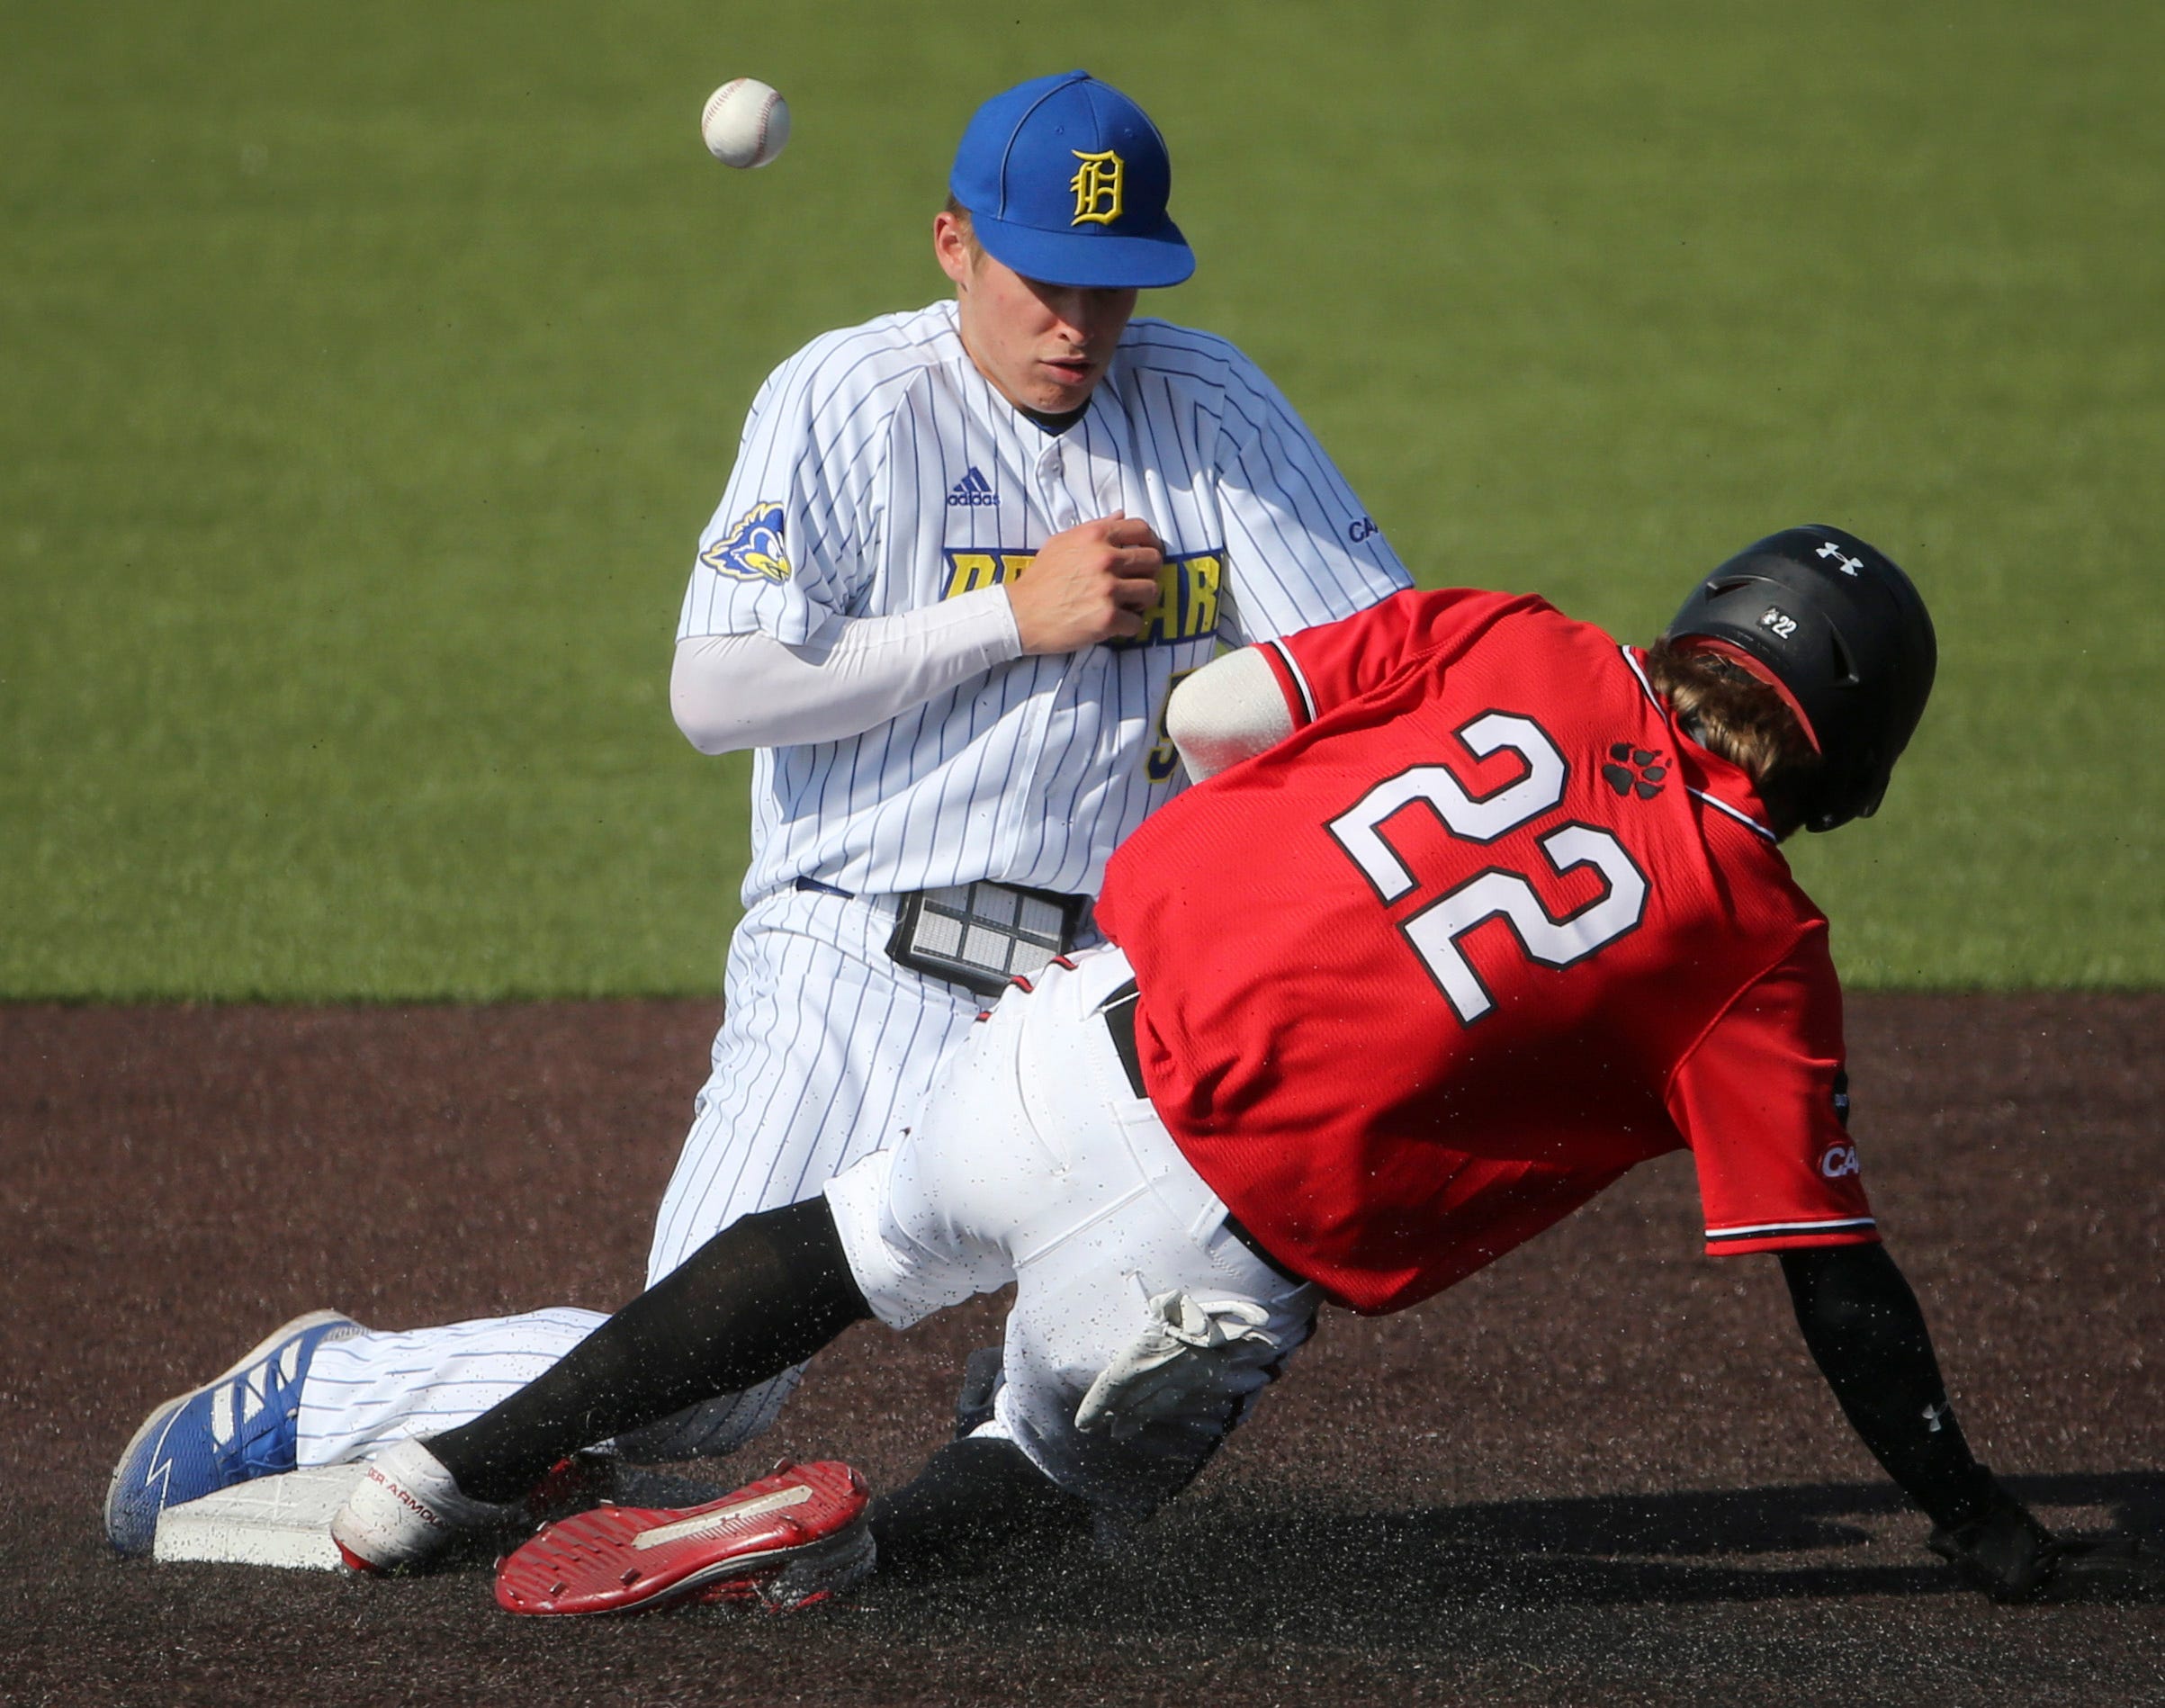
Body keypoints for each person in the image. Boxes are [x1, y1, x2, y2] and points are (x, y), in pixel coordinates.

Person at [324, 526, 2151, 1605]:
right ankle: (819, 1564)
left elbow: (1210, 713)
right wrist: (1971, 1513)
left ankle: (448, 1473)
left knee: (850, 1237)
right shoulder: (1755, 947)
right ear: (1849, 754)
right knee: (1060, 1475)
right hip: (1202, 1260)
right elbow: (1835, 1280)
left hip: (1061, 1050)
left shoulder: (1513, 634)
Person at [103, 70, 1409, 1557]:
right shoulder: (851, 398)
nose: (1077, 325)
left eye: (1110, 288)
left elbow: (1375, 670)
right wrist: (1009, 615)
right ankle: (323, 1391)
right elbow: (717, 687)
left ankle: (999, 1474)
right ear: (952, 245)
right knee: (696, 1397)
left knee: (1142, 1350)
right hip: (863, 956)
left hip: (1104, 993)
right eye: (1043, 282)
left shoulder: (1210, 405)